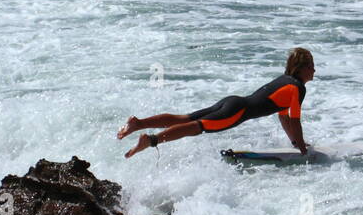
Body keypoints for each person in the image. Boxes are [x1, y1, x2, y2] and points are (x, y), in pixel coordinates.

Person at [119, 48, 315, 158]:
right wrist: (303, 151)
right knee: (195, 127)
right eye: (312, 67)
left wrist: (295, 142)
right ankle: (151, 140)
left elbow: (283, 117)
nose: (314, 71)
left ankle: (139, 123)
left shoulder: (284, 81)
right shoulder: (298, 88)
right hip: (236, 112)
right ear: (303, 68)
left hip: (232, 102)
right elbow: (294, 121)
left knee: (185, 118)